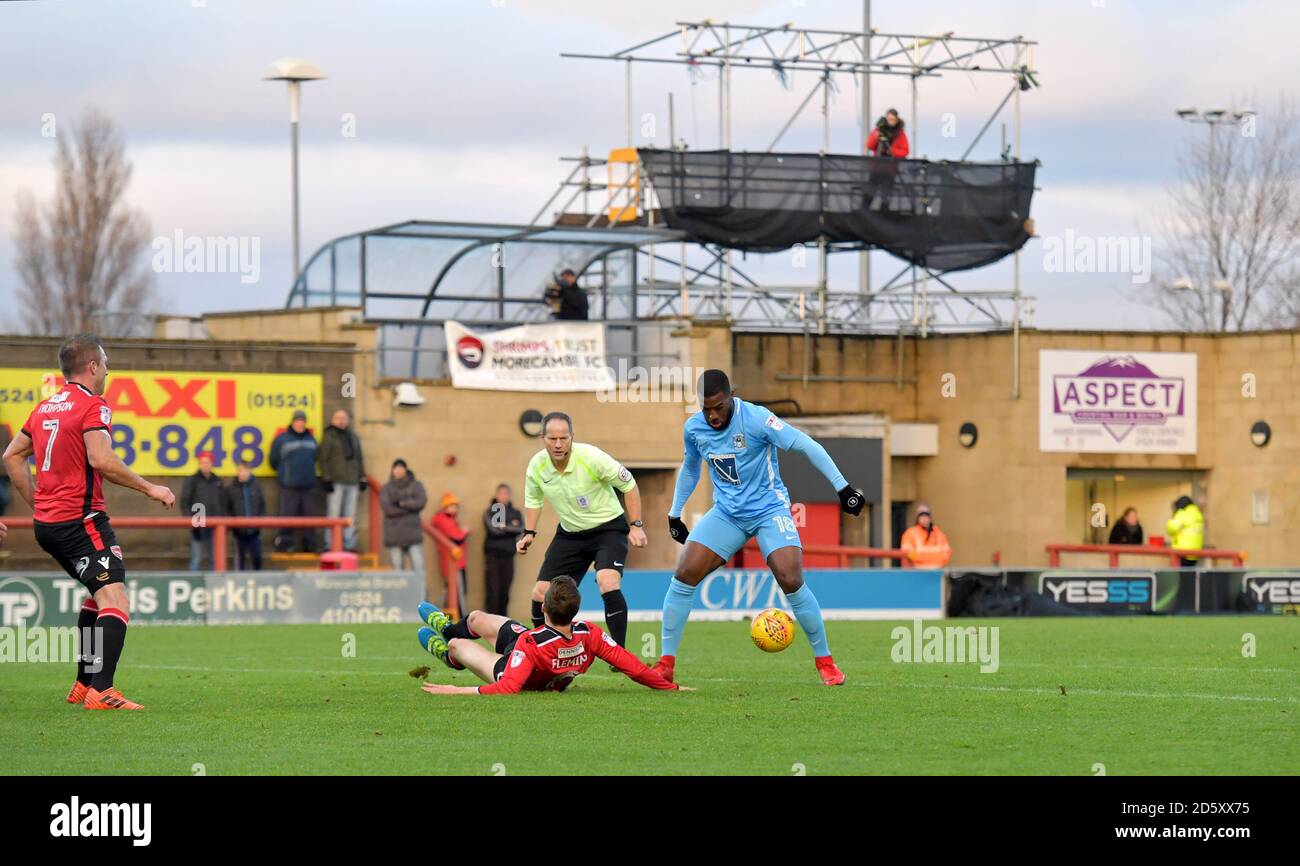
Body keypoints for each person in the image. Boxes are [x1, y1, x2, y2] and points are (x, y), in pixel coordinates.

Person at [656, 369, 865, 687]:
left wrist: (843, 488)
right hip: (727, 513)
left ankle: (826, 663)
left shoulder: (756, 418)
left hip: (769, 510)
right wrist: (674, 514)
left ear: (730, 396)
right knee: (683, 575)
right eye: (706, 408)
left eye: (719, 407)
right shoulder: (694, 428)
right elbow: (689, 470)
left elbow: (805, 445)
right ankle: (665, 665)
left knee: (790, 579)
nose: (713, 415)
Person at [1, 334, 176, 710]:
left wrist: (38, 502)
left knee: (97, 595)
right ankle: (103, 690)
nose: (109, 369)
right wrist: (150, 488)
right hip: (82, 520)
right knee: (116, 598)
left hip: (48, 525)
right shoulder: (93, 405)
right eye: (106, 362)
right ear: (93, 366)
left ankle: (83, 684)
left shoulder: (46, 407)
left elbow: (12, 456)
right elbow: (102, 459)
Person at [415, 576, 682, 695]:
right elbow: (632, 666)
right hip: (527, 650)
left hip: (513, 670)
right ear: (574, 611)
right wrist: (670, 687)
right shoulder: (589, 632)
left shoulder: (532, 642)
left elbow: (508, 687)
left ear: (543, 608)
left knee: (459, 645)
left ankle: (449, 653)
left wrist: (454, 690)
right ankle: (447, 627)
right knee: (476, 618)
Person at [517, 412, 646, 648]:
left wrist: (636, 525)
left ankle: (619, 652)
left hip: (608, 529)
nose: (558, 444)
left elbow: (629, 485)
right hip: (570, 534)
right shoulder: (537, 465)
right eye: (552, 438)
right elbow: (534, 499)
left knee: (607, 581)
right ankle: (539, 650)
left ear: (571, 437)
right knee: (540, 592)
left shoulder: (591, 457)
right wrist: (529, 533)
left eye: (563, 438)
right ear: (542, 438)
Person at [269, 409, 319, 553]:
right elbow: (273, 461)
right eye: (297, 421)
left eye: (302, 421)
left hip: (308, 486)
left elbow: (315, 458)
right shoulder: (282, 439)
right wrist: (285, 474)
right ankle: (285, 544)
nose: (300, 423)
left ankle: (309, 545)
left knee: (309, 517)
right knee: (287, 516)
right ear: (293, 422)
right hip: (289, 485)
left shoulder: (311, 439)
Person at [318, 408, 365, 552]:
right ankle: (329, 543)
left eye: (344, 418)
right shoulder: (328, 436)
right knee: (333, 513)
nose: (341, 421)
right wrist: (326, 478)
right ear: (333, 420)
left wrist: (362, 476)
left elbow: (359, 459)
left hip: (352, 481)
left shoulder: (353, 437)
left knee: (350, 514)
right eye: (338, 418)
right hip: (336, 481)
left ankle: (349, 543)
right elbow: (323, 459)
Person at [482, 483, 523, 617]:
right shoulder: (490, 511)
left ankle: (503, 620)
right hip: (492, 556)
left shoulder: (516, 512)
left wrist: (503, 527)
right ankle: (490, 619)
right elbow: (493, 531)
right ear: (496, 495)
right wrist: (509, 527)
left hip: (508, 556)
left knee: (505, 590)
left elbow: (520, 529)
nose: (504, 496)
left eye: (506, 493)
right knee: (493, 589)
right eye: (501, 493)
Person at [380, 459, 427, 575]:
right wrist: (410, 509)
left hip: (413, 535)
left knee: (419, 570)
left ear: (406, 470)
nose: (399, 471)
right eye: (396, 468)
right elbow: (388, 509)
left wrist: (402, 504)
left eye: (401, 468)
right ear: (392, 470)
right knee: (398, 573)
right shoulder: (386, 488)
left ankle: (419, 593)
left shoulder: (416, 485)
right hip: (394, 536)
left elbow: (421, 502)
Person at [181, 451, 225, 570]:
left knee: (214, 557)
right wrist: (189, 520)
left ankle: (215, 585)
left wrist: (222, 519)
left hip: (214, 525)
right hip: (197, 524)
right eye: (202, 463)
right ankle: (193, 584)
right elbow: (185, 501)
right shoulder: (192, 480)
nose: (205, 465)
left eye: (207, 462)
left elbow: (223, 502)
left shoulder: (217, 481)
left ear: (212, 464)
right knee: (196, 557)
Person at [432, 492, 471, 616]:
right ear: (445, 507)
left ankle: (441, 614)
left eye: (455, 506)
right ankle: (462, 617)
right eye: (452, 506)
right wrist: (465, 531)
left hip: (455, 561)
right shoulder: (444, 520)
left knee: (450, 589)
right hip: (453, 562)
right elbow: (457, 537)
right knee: (458, 591)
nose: (455, 508)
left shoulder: (449, 519)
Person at [224, 460, 267, 571]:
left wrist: (259, 522)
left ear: (249, 471)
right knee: (239, 561)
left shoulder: (256, 487)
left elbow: (262, 506)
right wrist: (234, 525)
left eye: (245, 470)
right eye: (240, 471)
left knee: (257, 557)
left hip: (255, 532)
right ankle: (238, 583)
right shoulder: (231, 489)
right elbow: (227, 509)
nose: (243, 473)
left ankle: (258, 582)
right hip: (239, 533)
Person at [864, 108, 910, 212]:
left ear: (897, 120)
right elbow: (869, 145)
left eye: (893, 120)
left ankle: (883, 218)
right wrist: (877, 136)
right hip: (876, 169)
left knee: (886, 198)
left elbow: (905, 151)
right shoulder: (879, 130)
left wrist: (892, 151)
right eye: (889, 119)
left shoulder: (900, 134)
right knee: (869, 195)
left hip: (890, 171)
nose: (891, 122)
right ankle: (864, 215)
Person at [899, 503, 952, 568]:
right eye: (921, 516)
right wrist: (921, 559)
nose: (924, 518)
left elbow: (947, 552)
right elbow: (907, 552)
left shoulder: (939, 534)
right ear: (917, 518)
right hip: (919, 571)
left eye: (926, 515)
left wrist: (938, 561)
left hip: (936, 571)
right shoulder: (910, 533)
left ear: (930, 517)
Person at [1166, 495, 1204, 568]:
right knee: (1190, 575)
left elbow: (1170, 529)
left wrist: (1174, 515)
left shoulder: (1182, 514)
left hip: (1182, 553)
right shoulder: (1198, 514)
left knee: (1181, 576)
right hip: (1195, 554)